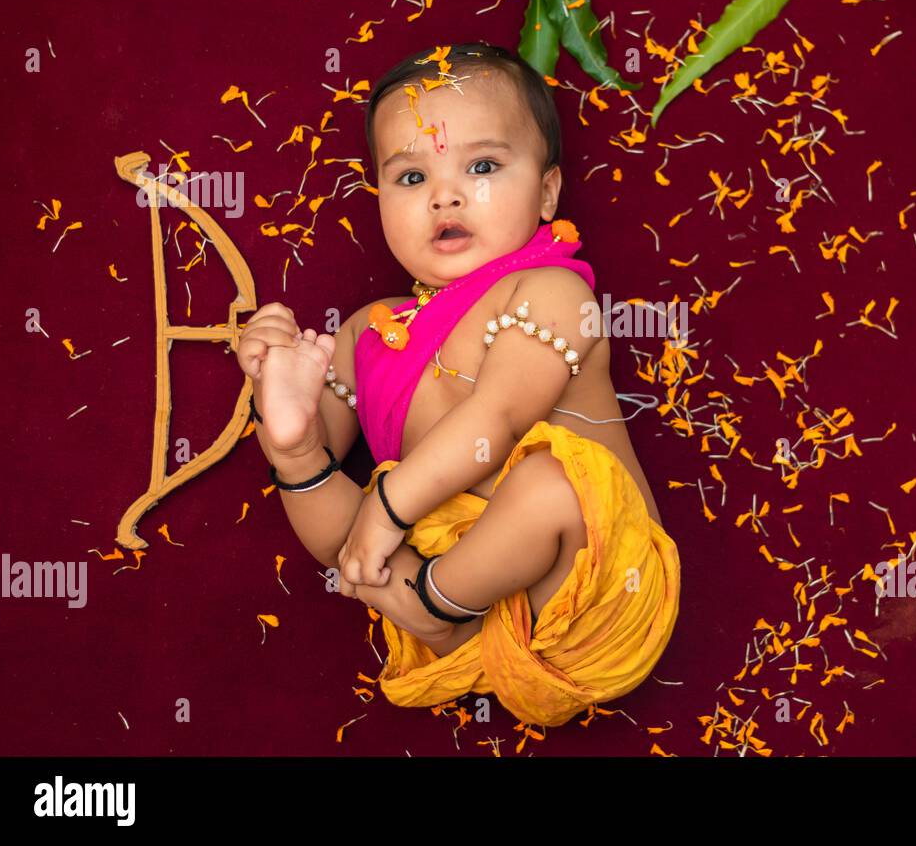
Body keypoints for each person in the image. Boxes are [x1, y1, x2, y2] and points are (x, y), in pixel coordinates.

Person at [235, 42, 680, 726]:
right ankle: (429, 595)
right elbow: (349, 540)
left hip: (595, 595)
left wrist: (387, 513)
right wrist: (285, 408)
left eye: (481, 166)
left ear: (548, 191)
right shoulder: (367, 332)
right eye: (411, 178)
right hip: (466, 630)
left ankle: (436, 602)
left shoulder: (553, 290)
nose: (445, 193)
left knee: (548, 481)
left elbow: (495, 420)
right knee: (334, 498)